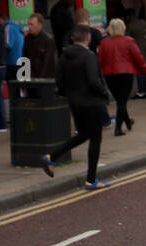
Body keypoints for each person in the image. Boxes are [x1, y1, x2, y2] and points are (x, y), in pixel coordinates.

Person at [42, 26, 110, 189]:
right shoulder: (89, 56)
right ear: (88, 38)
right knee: (95, 139)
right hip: (92, 103)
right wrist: (104, 93)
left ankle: (51, 156)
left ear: (73, 38)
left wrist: (71, 94)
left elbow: (59, 81)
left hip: (75, 102)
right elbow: (94, 80)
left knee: (84, 134)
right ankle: (91, 180)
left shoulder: (64, 56)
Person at [97, 18, 146, 137]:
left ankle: (128, 122)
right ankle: (118, 129)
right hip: (125, 74)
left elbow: (99, 60)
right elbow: (139, 58)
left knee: (120, 101)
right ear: (123, 28)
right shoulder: (129, 41)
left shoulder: (104, 43)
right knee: (122, 102)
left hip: (109, 75)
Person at [22, 14, 57, 79]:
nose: (29, 27)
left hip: (45, 78)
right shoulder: (27, 38)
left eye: (32, 24)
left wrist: (41, 78)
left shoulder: (48, 40)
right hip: (30, 76)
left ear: (40, 25)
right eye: (28, 24)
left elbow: (48, 61)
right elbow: (25, 58)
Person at [126, 13, 146, 98]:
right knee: (144, 70)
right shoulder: (143, 23)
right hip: (145, 48)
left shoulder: (130, 26)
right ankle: (144, 91)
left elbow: (127, 39)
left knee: (139, 71)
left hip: (137, 49)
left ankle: (141, 92)